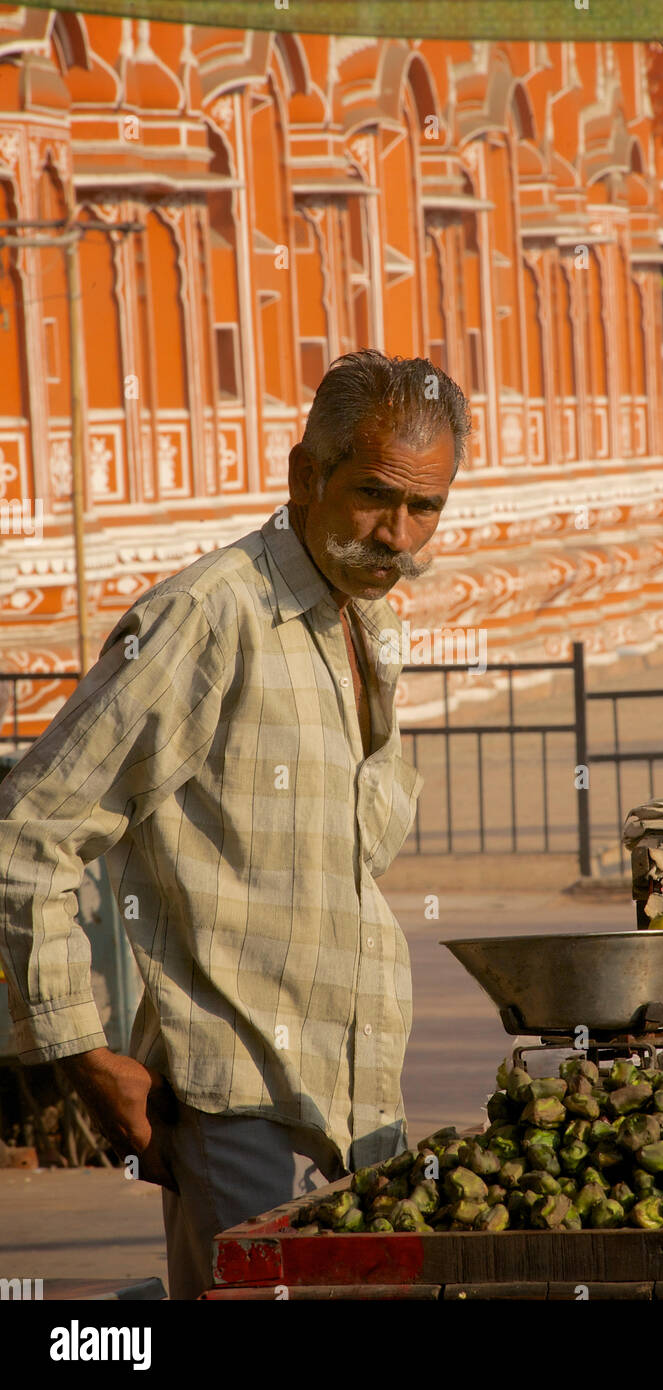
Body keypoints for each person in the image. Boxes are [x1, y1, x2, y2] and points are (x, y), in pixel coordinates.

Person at [0, 349, 472, 1299]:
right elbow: (28, 833)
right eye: (376, 496)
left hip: (354, 1100)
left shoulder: (365, 619)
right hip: (234, 1101)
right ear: (307, 476)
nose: (398, 534)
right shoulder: (207, 618)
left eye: (425, 509)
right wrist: (84, 1055)